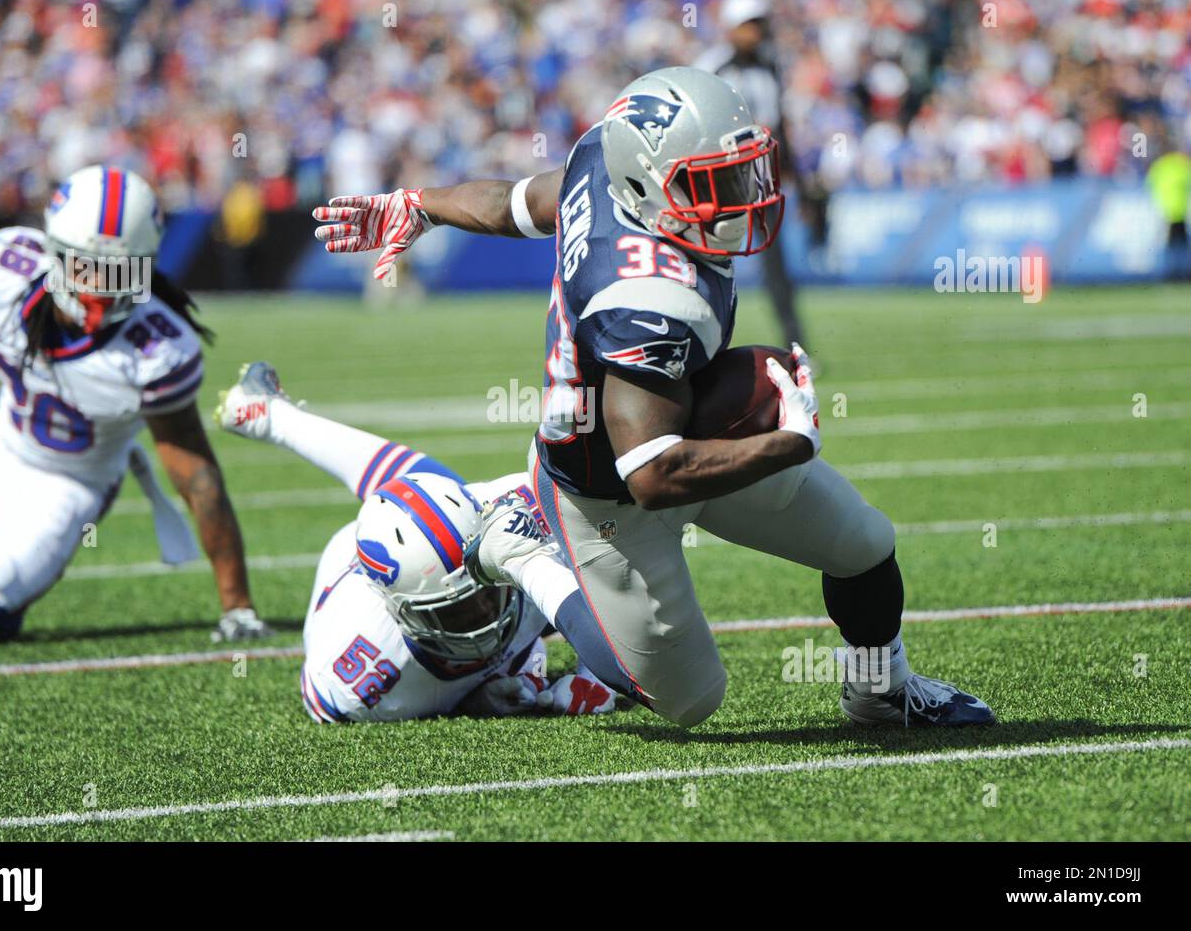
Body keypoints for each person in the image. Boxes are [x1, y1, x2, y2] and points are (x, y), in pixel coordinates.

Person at [311, 66, 994, 729]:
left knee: (864, 543)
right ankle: (522, 554)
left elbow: (511, 204)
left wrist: (419, 205)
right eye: (713, 183)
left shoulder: (602, 164)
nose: (738, 195)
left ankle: (882, 693)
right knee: (690, 699)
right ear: (646, 181)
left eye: (739, 171)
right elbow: (653, 474)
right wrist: (788, 442)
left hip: (674, 426)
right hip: (606, 494)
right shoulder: (649, 299)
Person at [0, 165, 270, 643]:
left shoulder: (154, 350)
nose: (99, 286)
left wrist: (237, 604)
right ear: (54, 252)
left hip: (68, 479)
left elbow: (195, 475)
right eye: (86, 266)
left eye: (120, 272)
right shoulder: (5, 276)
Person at [215, 362, 616, 722]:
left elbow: (617, 555)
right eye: (456, 614)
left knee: (443, 499)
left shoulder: (517, 514)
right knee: (422, 507)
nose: (483, 622)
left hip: (476, 518)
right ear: (402, 614)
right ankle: (271, 417)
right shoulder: (357, 677)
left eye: (486, 593)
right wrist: (469, 699)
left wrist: (594, 676)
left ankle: (270, 417)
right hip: (352, 567)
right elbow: (320, 698)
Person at [694, 0, 811, 350]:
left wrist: (799, 182)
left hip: (761, 178)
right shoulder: (711, 67)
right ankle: (699, 344)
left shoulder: (770, 65)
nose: (755, 32)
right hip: (719, 180)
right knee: (706, 261)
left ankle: (795, 342)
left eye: (759, 24)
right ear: (731, 27)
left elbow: (781, 126)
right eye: (748, 25)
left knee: (777, 268)